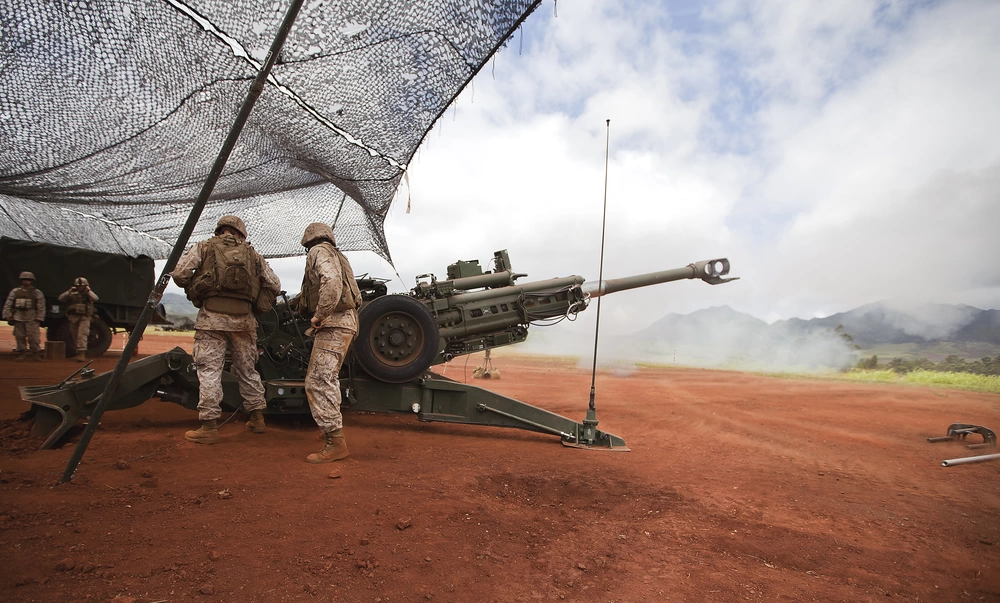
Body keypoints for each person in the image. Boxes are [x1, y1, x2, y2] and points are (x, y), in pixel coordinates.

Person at [171, 215, 280, 444]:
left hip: (211, 320)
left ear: (221, 230)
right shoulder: (253, 254)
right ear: (241, 233)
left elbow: (180, 274)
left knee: (209, 371)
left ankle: (209, 427)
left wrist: (196, 288)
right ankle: (257, 419)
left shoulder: (204, 247)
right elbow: (275, 284)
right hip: (244, 322)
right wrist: (257, 303)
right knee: (247, 370)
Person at [297, 222, 362, 463]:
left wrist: (319, 315)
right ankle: (331, 432)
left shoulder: (318, 251)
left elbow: (332, 283)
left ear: (308, 241)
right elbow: (353, 294)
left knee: (318, 381)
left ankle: (335, 442)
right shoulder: (338, 255)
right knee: (328, 379)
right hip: (347, 322)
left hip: (333, 323)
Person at [3, 271, 46, 362]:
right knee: (19, 336)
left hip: (32, 317)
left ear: (31, 281)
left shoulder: (36, 292)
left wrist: (39, 317)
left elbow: (41, 305)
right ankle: (21, 354)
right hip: (18, 316)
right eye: (24, 279)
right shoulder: (15, 291)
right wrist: (8, 314)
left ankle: (35, 354)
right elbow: (9, 303)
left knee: (34, 337)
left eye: (28, 280)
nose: (26, 281)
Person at [58, 277, 99, 361]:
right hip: (73, 317)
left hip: (85, 317)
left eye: (82, 286)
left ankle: (82, 353)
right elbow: (61, 298)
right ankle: (78, 353)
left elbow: (95, 298)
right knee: (74, 335)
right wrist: (69, 291)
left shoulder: (88, 294)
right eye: (79, 286)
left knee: (82, 334)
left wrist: (88, 291)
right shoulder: (73, 293)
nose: (80, 287)